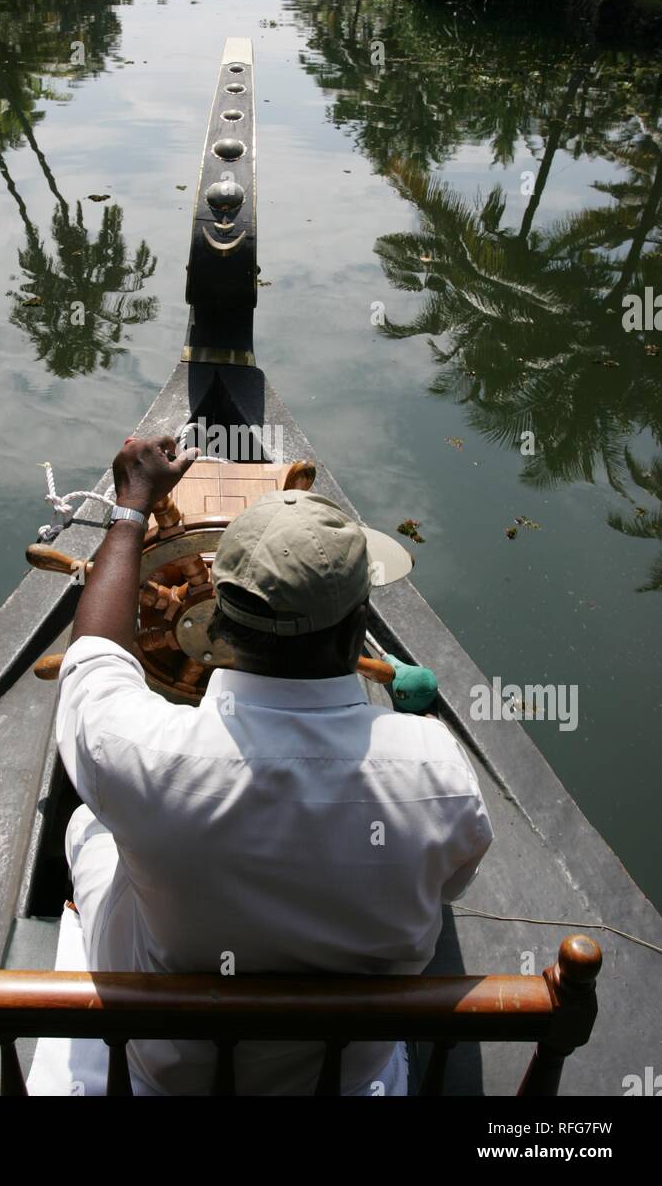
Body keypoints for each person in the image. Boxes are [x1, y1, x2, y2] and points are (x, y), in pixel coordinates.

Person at [27, 435, 493, 1097]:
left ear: (218, 613)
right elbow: (450, 887)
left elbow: (94, 656)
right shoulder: (437, 776)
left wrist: (133, 505)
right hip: (346, 1081)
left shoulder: (139, 750)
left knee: (91, 831)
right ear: (357, 623)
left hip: (166, 1079)